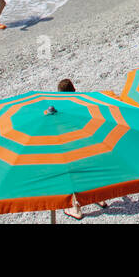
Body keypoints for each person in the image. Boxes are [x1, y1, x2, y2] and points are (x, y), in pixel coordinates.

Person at [55, 78, 109, 219]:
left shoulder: (59, 109)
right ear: (74, 90)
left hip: (70, 145)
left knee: (72, 175)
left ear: (60, 94)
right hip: (86, 142)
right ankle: (98, 197)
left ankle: (76, 208)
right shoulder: (81, 102)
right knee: (89, 169)